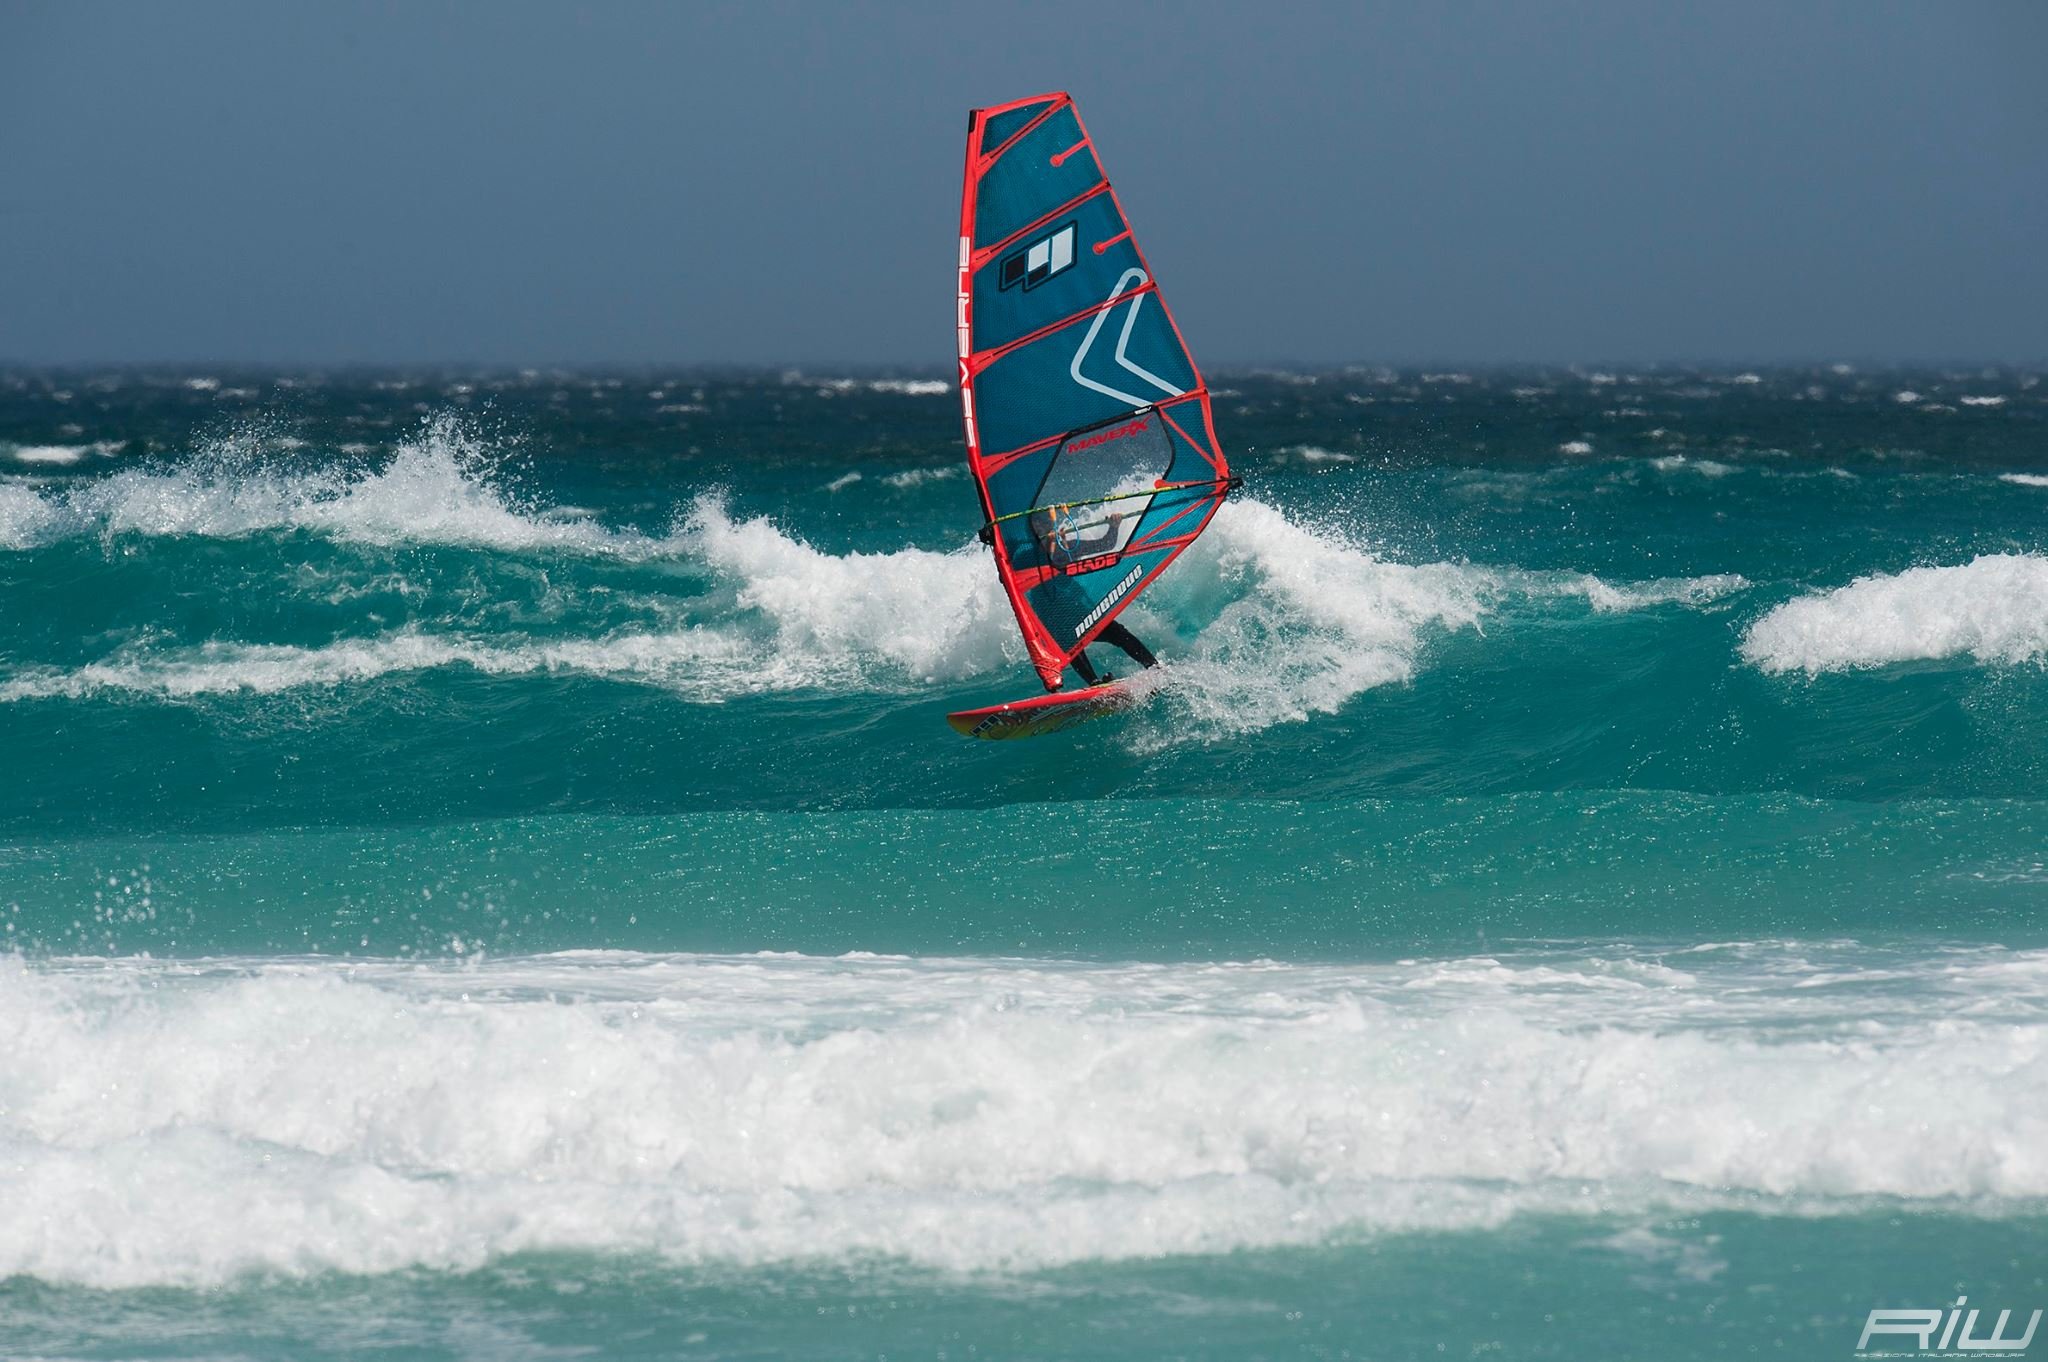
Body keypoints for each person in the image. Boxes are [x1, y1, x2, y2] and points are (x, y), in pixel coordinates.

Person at [1029, 503, 1159, 686]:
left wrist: (1113, 527)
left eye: (1044, 524)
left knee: (1117, 632)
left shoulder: (1067, 546)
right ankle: (1094, 683)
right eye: (1037, 526)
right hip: (1052, 616)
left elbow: (1106, 544)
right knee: (1070, 642)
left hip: (1076, 608)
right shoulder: (1026, 556)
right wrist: (1048, 547)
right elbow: (1042, 565)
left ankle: (1154, 667)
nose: (1041, 528)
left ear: (1051, 525)